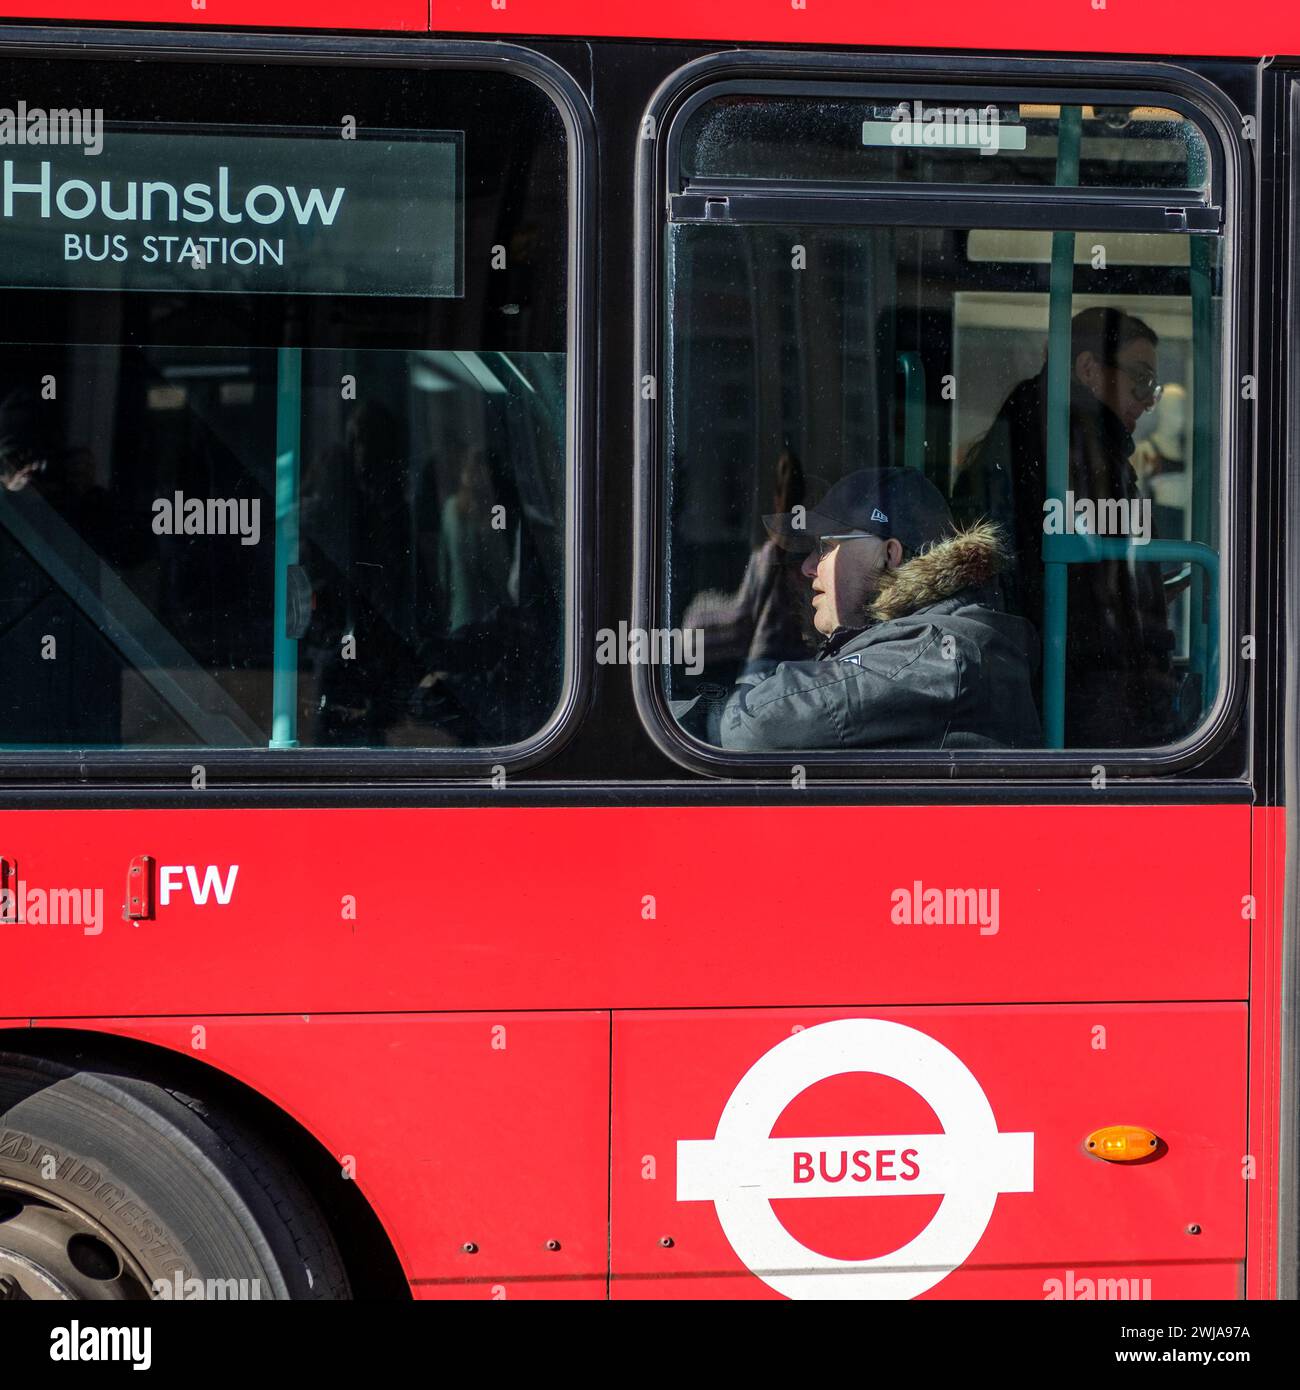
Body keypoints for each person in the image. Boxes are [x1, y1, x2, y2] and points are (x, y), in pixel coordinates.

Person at [689, 468, 1041, 751]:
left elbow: (758, 724)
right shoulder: (928, 640)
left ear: (890, 555)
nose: (807, 567)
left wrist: (671, 717)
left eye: (825, 547)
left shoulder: (936, 652)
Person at [952, 306, 1177, 745]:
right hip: (1083, 689)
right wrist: (1146, 666)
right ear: (1089, 369)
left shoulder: (1041, 424)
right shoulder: (1076, 438)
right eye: (1142, 379)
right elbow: (1092, 592)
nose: (1149, 399)